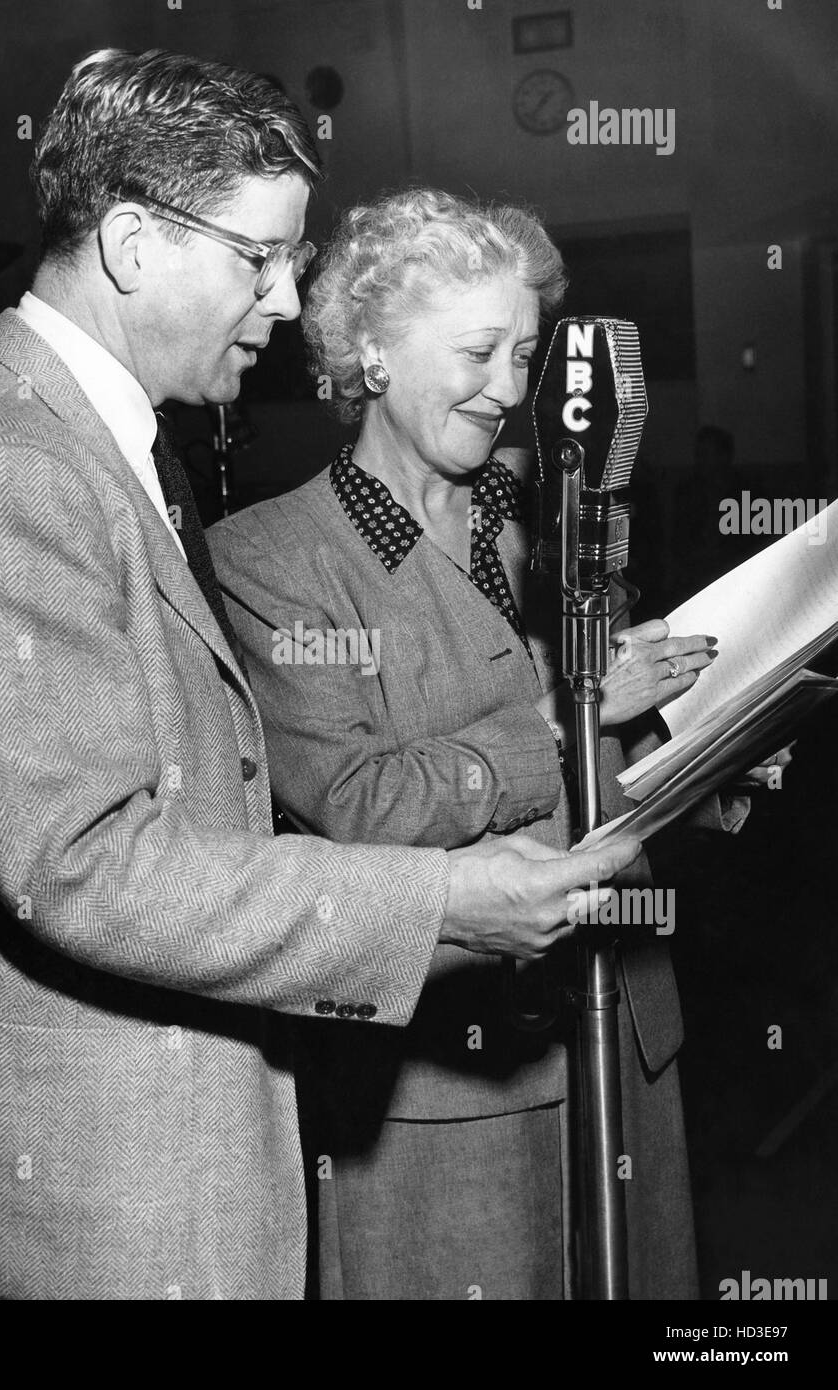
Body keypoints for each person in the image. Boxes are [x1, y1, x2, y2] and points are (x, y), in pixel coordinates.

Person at [0, 54, 637, 1302]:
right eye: (259, 257)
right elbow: (85, 866)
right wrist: (438, 905)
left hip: (149, 1175)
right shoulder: (5, 471)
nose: (286, 299)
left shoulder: (92, 444)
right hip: (81, 1214)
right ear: (134, 243)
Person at [209, 189, 748, 1299]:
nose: (510, 388)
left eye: (527, 351)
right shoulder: (271, 559)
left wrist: (709, 745)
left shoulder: (540, 520)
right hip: (445, 1086)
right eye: (477, 351)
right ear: (368, 352)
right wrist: (566, 715)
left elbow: (609, 765)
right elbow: (356, 800)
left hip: (622, 1041)